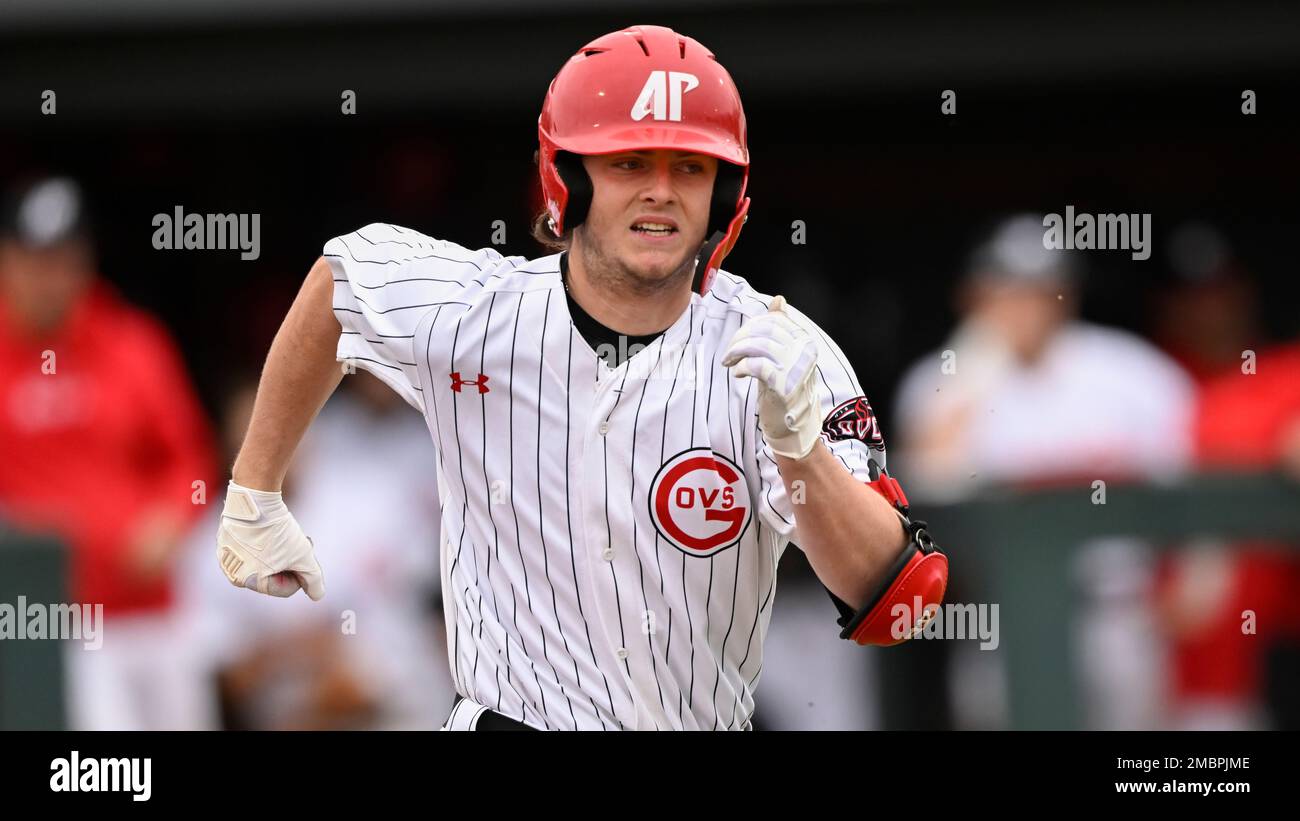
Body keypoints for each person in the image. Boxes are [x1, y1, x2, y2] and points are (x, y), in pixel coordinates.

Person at [216, 24, 947, 731]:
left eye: (689, 167)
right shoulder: (473, 311)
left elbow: (897, 601)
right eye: (629, 162)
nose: (661, 190)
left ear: (725, 196)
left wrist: (799, 452)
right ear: (566, 179)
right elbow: (343, 274)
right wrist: (255, 489)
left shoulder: (781, 351)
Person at [0, 176, 218, 730]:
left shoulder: (131, 343)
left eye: (64, 262)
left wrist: (172, 517)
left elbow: (190, 456)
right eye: (34, 262)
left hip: (155, 608)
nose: (50, 280)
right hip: (54, 623)